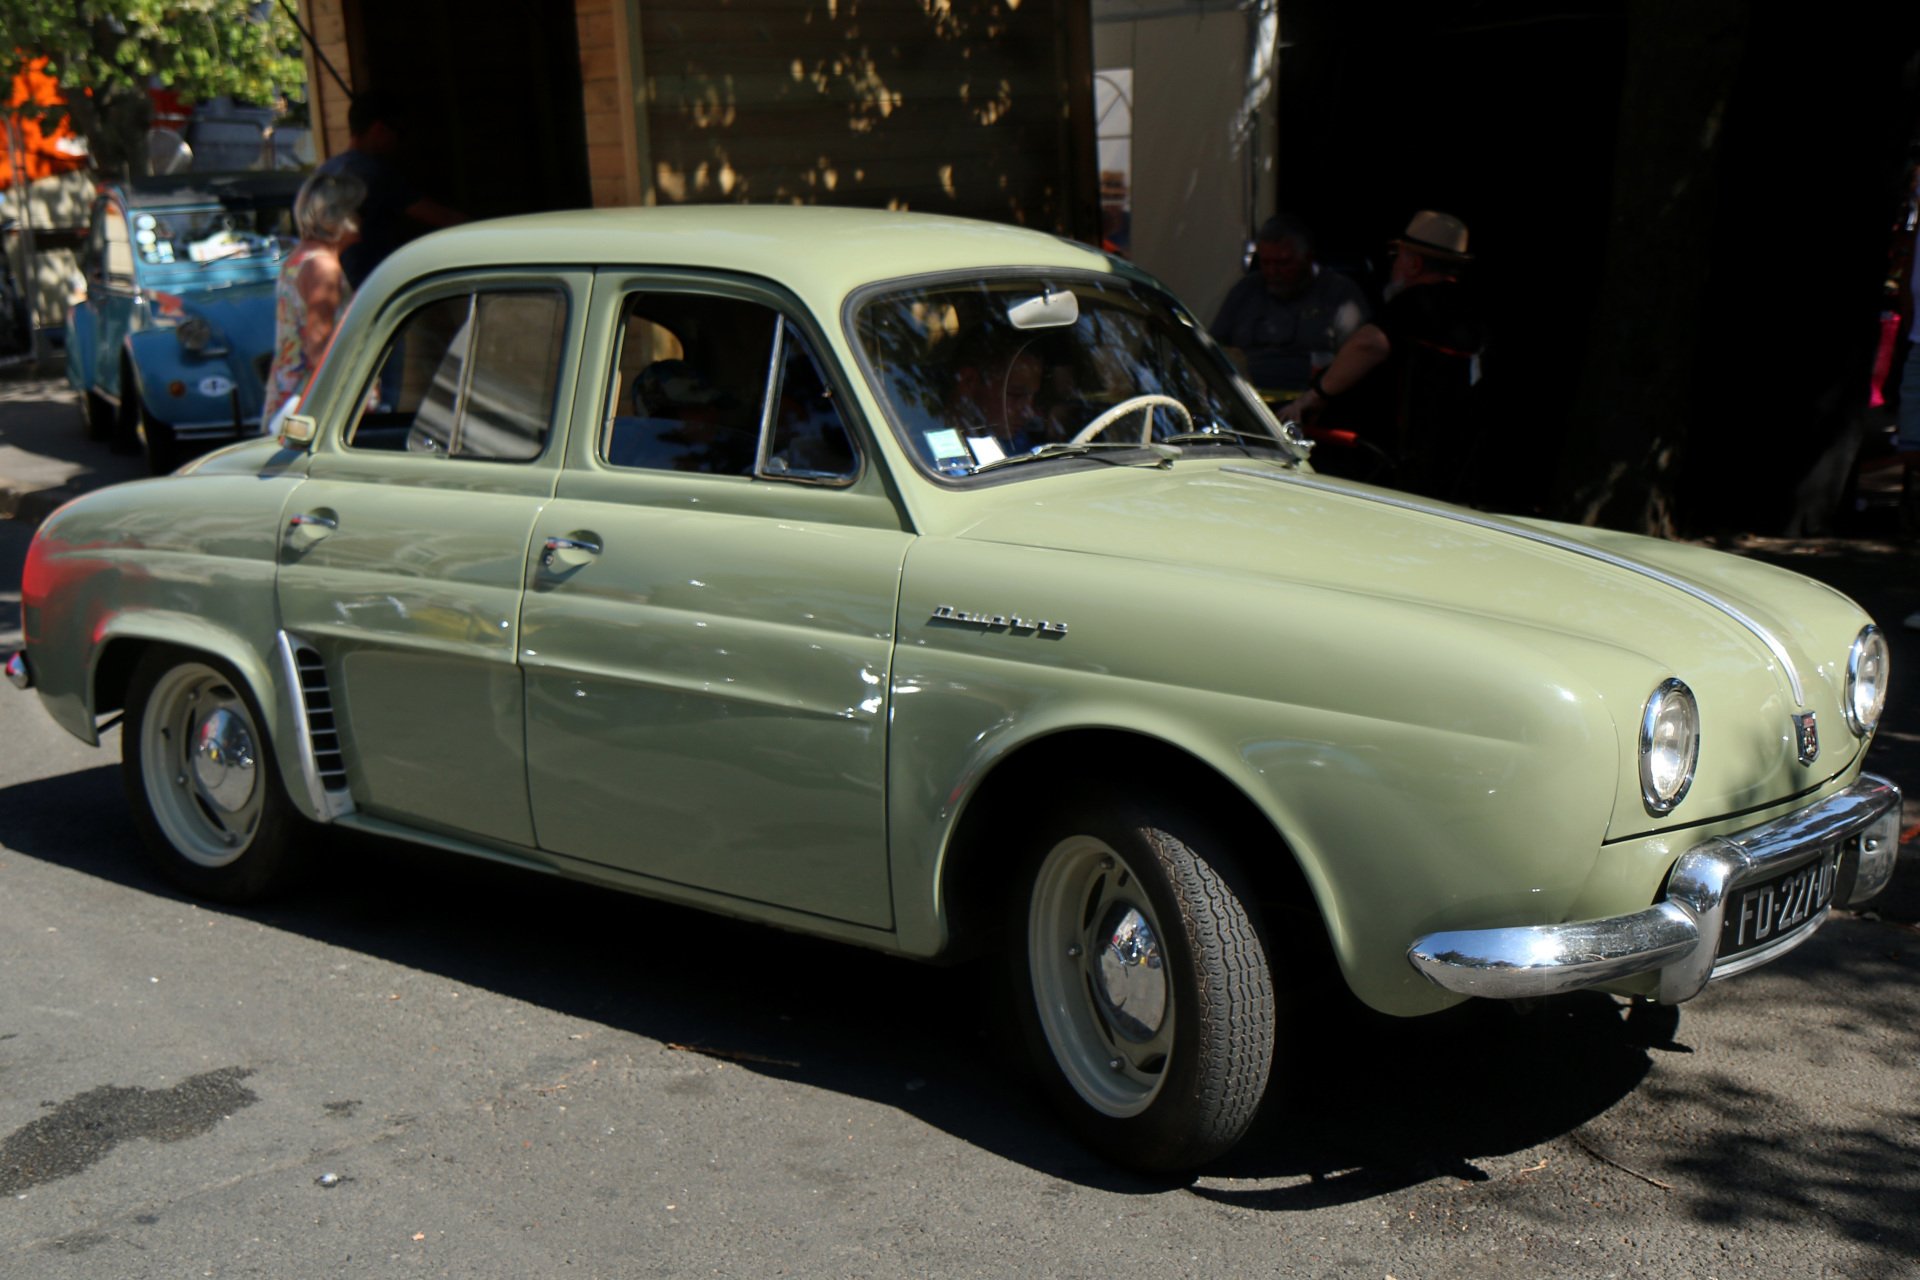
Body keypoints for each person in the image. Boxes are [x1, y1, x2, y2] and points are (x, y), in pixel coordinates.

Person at [1280, 210, 1485, 499]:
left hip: (1399, 464)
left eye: (1398, 257)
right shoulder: (1471, 309)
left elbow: (1369, 343)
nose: (1395, 266)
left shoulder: (1416, 302)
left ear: (1413, 264)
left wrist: (1315, 396)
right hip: (1453, 464)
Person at [315, 90, 463, 289]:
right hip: (371, 286)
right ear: (379, 129)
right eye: (399, 133)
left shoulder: (325, 170)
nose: (398, 143)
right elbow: (441, 217)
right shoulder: (374, 173)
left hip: (332, 283)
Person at [1209, 214, 1369, 394]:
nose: (1272, 271)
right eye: (1265, 262)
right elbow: (1214, 349)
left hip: (1311, 404)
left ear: (1307, 258)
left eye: (1283, 263)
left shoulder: (1339, 293)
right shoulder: (1246, 290)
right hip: (1248, 403)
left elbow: (1357, 360)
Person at [261, 170, 366, 429]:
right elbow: (320, 348)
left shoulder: (301, 256)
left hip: (288, 397)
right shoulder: (322, 267)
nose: (363, 217)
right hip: (311, 410)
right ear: (338, 217)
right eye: (357, 210)